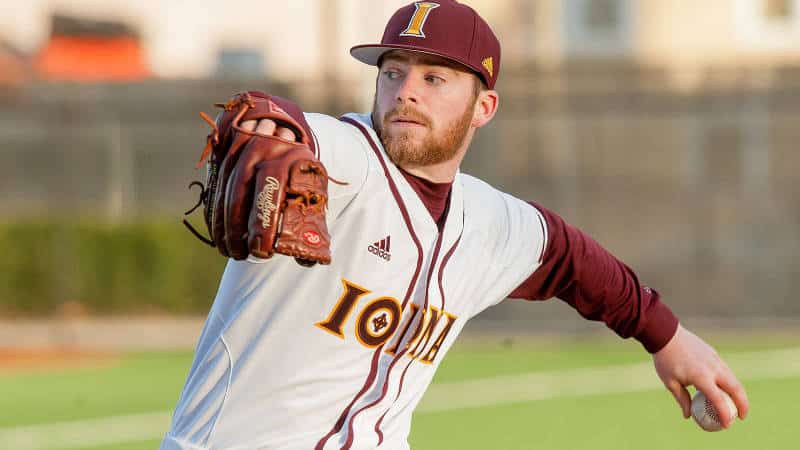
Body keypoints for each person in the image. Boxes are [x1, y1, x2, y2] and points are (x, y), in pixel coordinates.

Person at [160, 1, 749, 449]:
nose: (405, 93)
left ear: (483, 107)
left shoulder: (488, 223)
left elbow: (570, 258)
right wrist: (274, 126)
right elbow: (288, 122)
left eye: (433, 78)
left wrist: (668, 338)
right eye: (393, 72)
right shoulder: (346, 160)